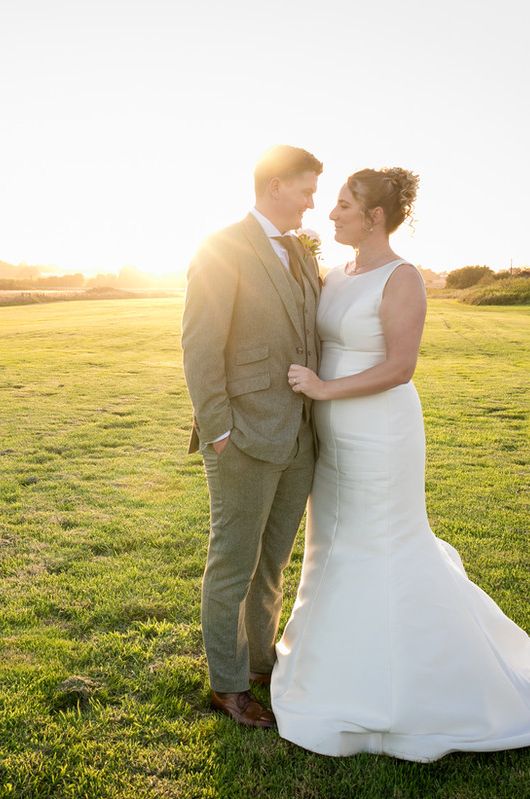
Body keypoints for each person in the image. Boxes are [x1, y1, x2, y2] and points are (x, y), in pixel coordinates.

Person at [270, 167, 530, 760]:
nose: (331, 213)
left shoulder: (403, 278)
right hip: (331, 432)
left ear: (375, 218)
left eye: (343, 205)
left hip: (379, 434)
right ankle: (330, 667)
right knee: (333, 542)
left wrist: (321, 390)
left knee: (382, 542)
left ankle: (414, 685)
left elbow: (400, 368)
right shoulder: (336, 275)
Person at [181, 145, 324, 728]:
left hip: (300, 437)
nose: (313, 203)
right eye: (307, 190)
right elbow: (200, 345)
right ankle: (227, 684)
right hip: (241, 434)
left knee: (272, 564)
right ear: (276, 186)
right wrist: (218, 431)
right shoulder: (221, 247)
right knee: (233, 562)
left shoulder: (298, 250)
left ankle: (263, 665)